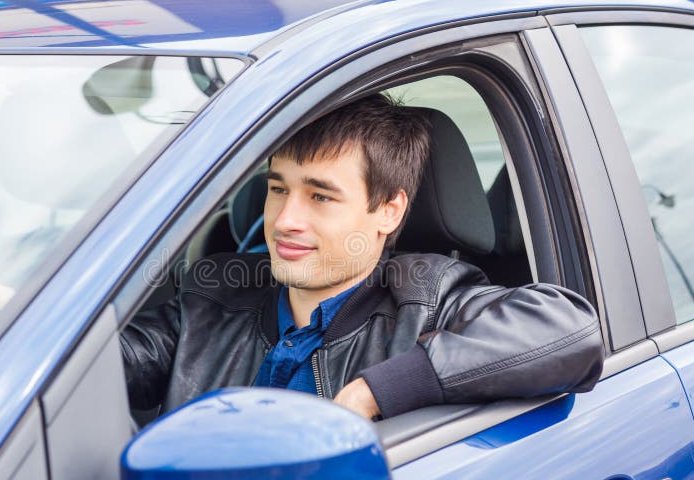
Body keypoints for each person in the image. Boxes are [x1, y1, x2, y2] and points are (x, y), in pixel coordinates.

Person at [119, 94, 604, 420]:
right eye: (277, 188)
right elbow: (103, 368)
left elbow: (570, 331)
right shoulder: (211, 297)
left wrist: (374, 391)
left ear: (389, 211)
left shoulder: (426, 300)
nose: (285, 219)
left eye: (320, 197)